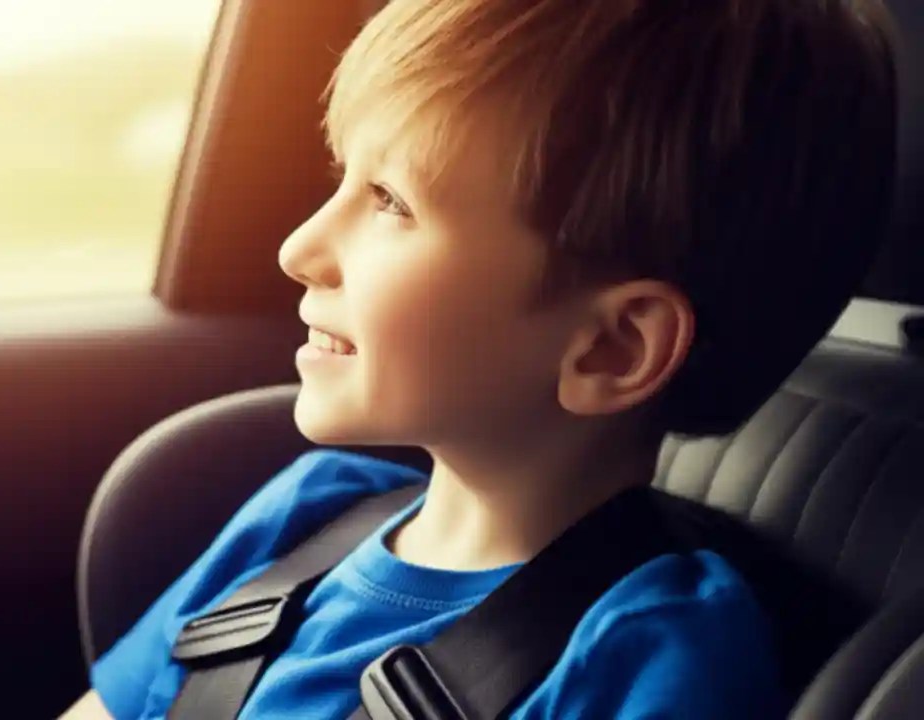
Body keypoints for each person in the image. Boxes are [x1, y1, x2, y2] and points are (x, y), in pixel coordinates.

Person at [64, 0, 899, 717]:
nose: (298, 247)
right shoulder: (303, 520)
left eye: (391, 202)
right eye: (341, 179)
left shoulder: (645, 650)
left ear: (611, 348)